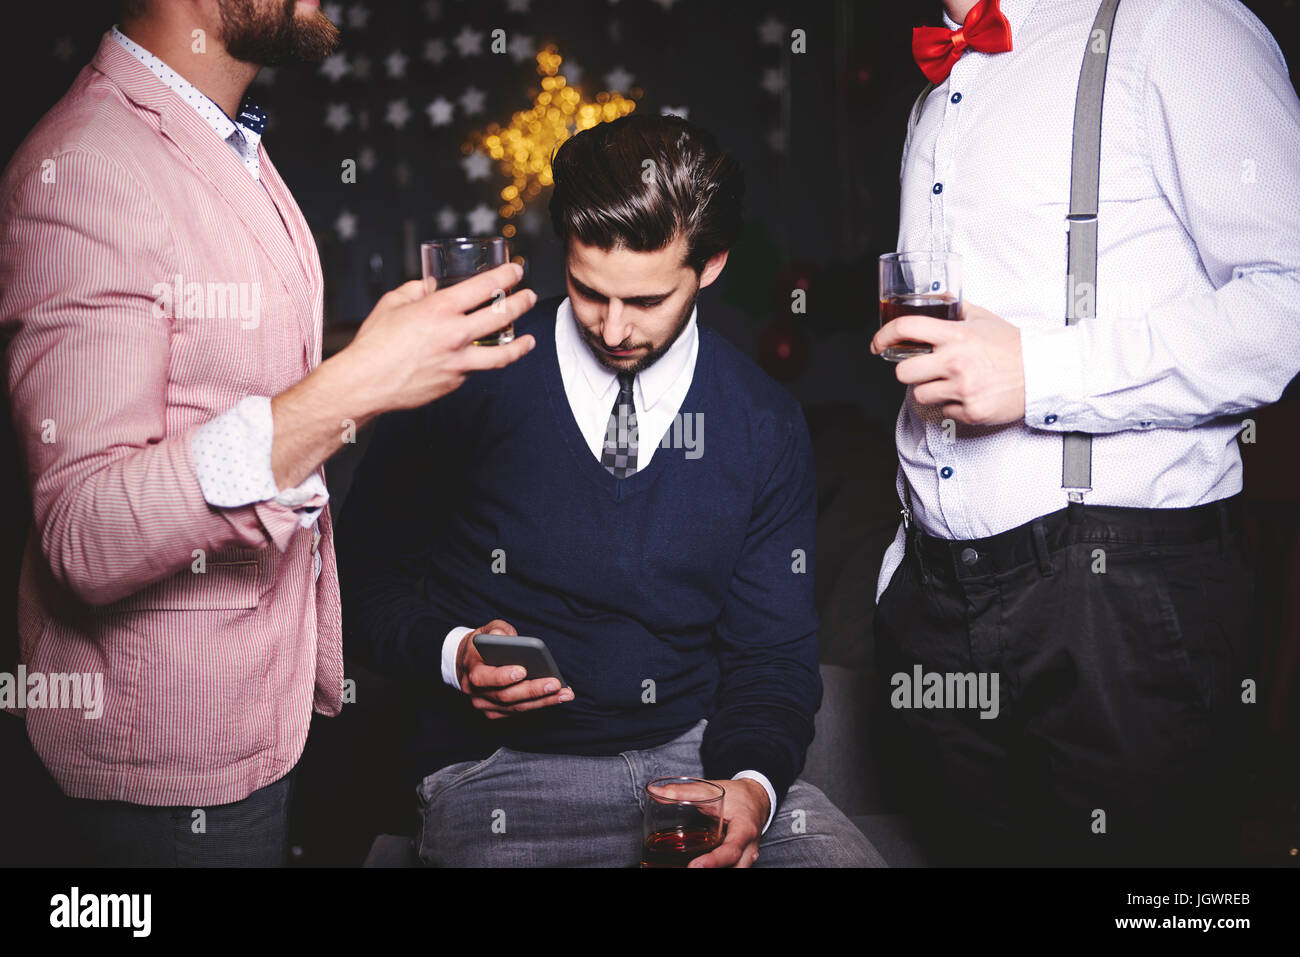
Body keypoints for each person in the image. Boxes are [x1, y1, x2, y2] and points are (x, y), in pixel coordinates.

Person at [0, 0, 536, 866]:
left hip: (262, 721)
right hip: (163, 765)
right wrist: (352, 387)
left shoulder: (220, 139)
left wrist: (370, 367)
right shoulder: (88, 165)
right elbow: (83, 528)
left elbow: (219, 380)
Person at [339, 113, 884, 868]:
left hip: (699, 761)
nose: (615, 328)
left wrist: (751, 788)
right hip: (498, 772)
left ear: (713, 263)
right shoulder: (464, 381)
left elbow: (772, 656)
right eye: (589, 291)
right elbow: (359, 575)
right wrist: (452, 652)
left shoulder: (764, 423)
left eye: (648, 300)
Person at [871, 0, 1300, 865]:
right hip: (936, 595)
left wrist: (1043, 374)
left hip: (1114, 597)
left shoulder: (1178, 26)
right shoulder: (937, 95)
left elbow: (1288, 301)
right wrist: (899, 576)